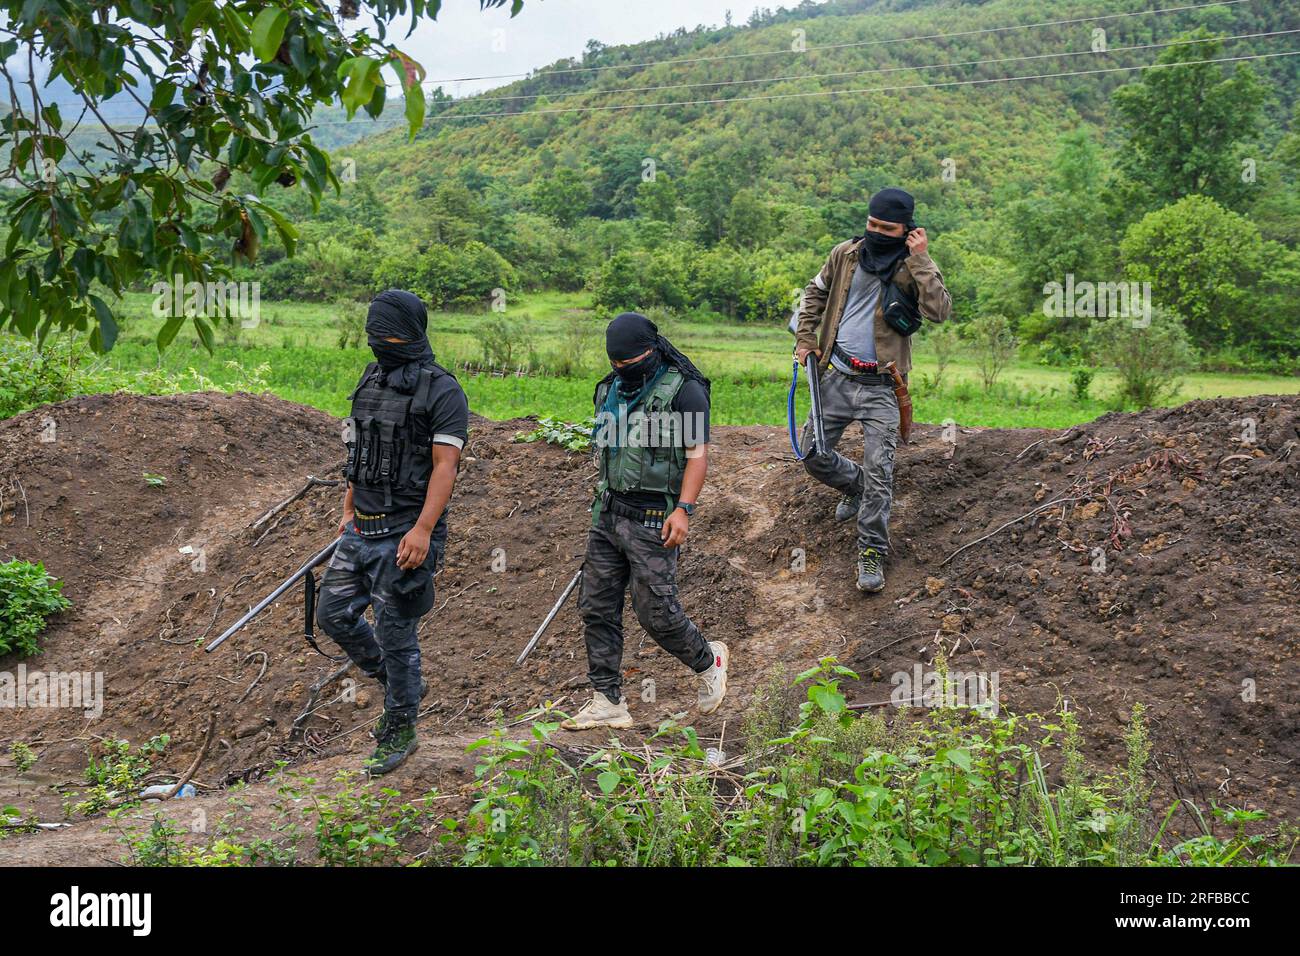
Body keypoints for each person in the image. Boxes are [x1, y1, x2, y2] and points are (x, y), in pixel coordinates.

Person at [316, 289, 468, 774]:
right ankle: (403, 681)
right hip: (361, 525)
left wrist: (423, 530)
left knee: (397, 633)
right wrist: (347, 511)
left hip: (405, 531)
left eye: (389, 335)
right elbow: (357, 455)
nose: (380, 342)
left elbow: (446, 467)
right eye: (373, 335)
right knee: (333, 614)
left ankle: (401, 727)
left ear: (413, 332)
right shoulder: (371, 377)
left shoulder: (442, 390)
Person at [562, 311, 728, 730]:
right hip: (609, 513)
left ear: (651, 351)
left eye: (629, 362)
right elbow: (607, 455)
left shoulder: (684, 391)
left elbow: (697, 455)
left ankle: (709, 662)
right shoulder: (608, 390)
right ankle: (607, 700)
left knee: (656, 612)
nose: (622, 370)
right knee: (596, 606)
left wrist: (684, 509)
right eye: (616, 363)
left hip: (656, 517)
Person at [793, 187, 952, 593]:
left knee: (881, 471)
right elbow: (815, 293)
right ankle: (855, 485)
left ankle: (871, 551)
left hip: (883, 384)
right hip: (837, 375)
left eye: (887, 228)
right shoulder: (844, 254)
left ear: (906, 230)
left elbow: (939, 311)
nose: (877, 232)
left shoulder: (910, 265)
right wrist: (806, 339)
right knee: (812, 454)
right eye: (872, 224)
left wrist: (920, 258)